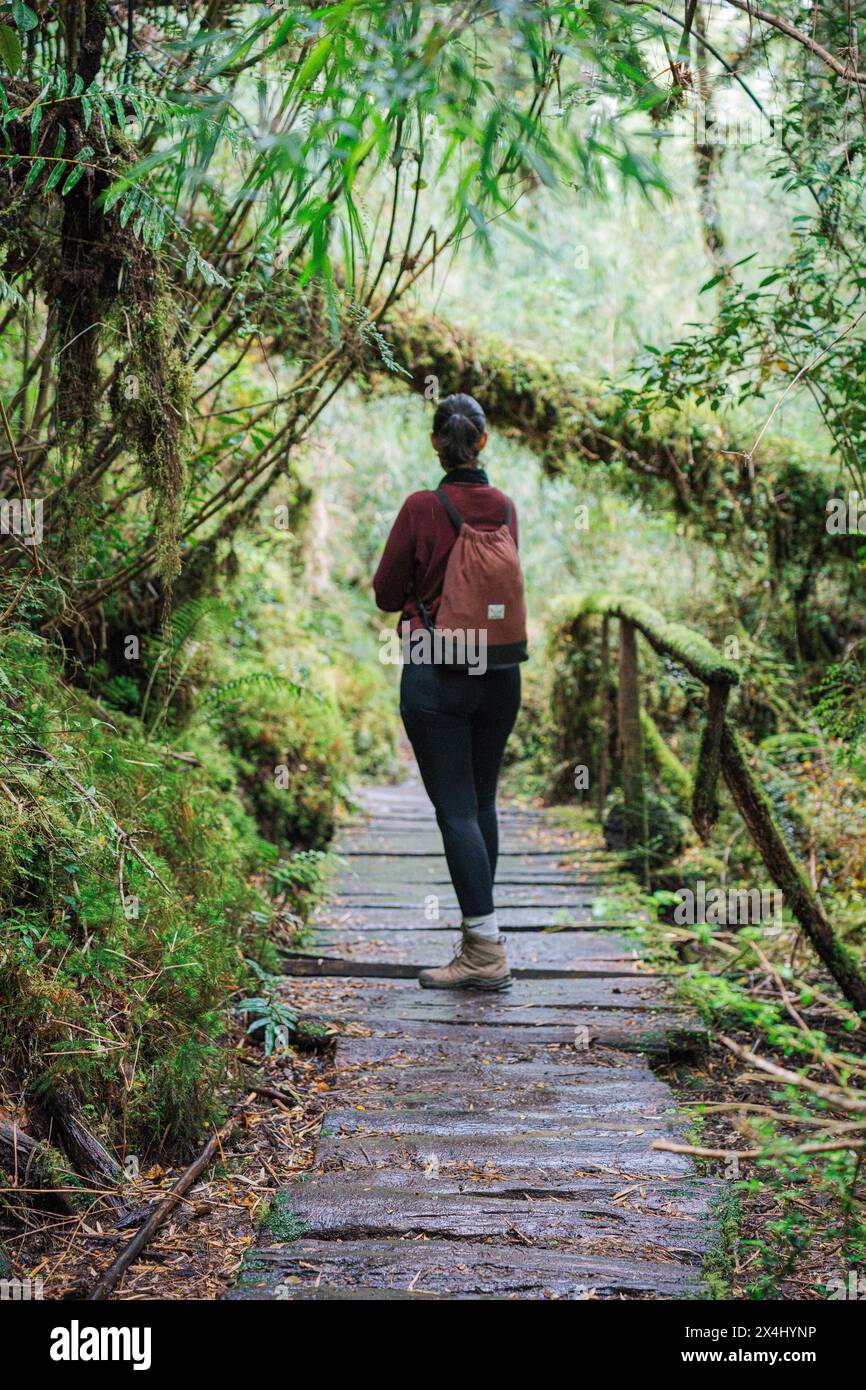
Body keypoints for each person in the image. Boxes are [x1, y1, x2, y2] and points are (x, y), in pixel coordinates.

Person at [373, 393, 525, 991]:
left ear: (437, 443)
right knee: (481, 803)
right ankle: (481, 939)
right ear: (483, 441)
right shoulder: (506, 508)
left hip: (438, 671)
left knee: (456, 809)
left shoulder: (420, 507)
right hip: (501, 672)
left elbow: (387, 593)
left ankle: (484, 952)